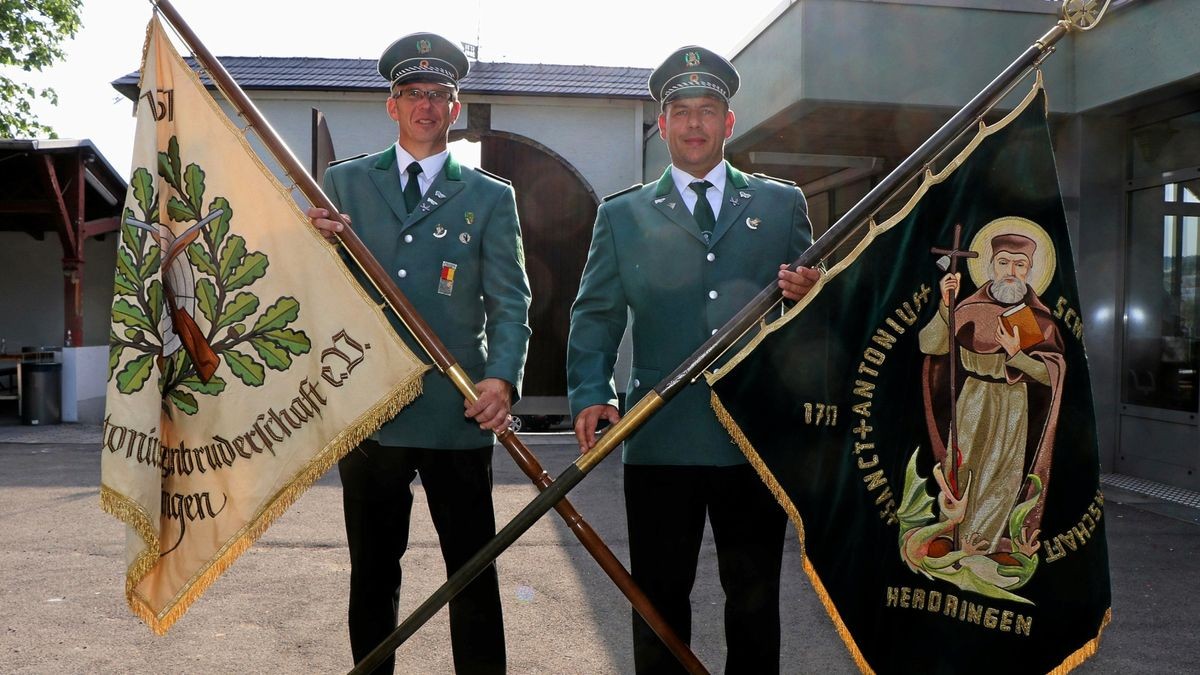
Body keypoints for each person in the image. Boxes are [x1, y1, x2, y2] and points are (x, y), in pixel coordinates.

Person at [566, 46, 820, 674]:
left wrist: (815, 294)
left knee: (754, 602)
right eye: (681, 111)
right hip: (660, 433)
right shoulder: (622, 215)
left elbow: (812, 315)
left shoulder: (780, 204)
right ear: (662, 124)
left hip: (751, 436)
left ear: (729, 122)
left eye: (708, 110)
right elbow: (596, 314)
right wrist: (591, 391)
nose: (694, 123)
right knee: (658, 600)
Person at [308, 32, 531, 674]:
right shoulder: (343, 184)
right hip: (370, 406)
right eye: (412, 94)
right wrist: (314, 244)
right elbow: (319, 287)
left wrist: (501, 380)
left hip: (456, 408)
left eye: (438, 94)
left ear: (455, 108)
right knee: (373, 571)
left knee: (472, 570)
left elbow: (510, 300)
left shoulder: (489, 195)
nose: (425, 105)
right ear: (392, 106)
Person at [919, 231, 1065, 561]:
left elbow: (1052, 373)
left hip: (1013, 402)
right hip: (973, 397)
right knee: (961, 466)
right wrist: (945, 308)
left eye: (1020, 264)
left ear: (1030, 271)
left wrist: (1017, 354)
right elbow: (930, 346)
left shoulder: (1036, 318)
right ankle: (949, 532)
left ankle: (983, 543)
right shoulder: (969, 307)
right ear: (990, 267)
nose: (1011, 271)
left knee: (1004, 474)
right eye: (1003, 262)